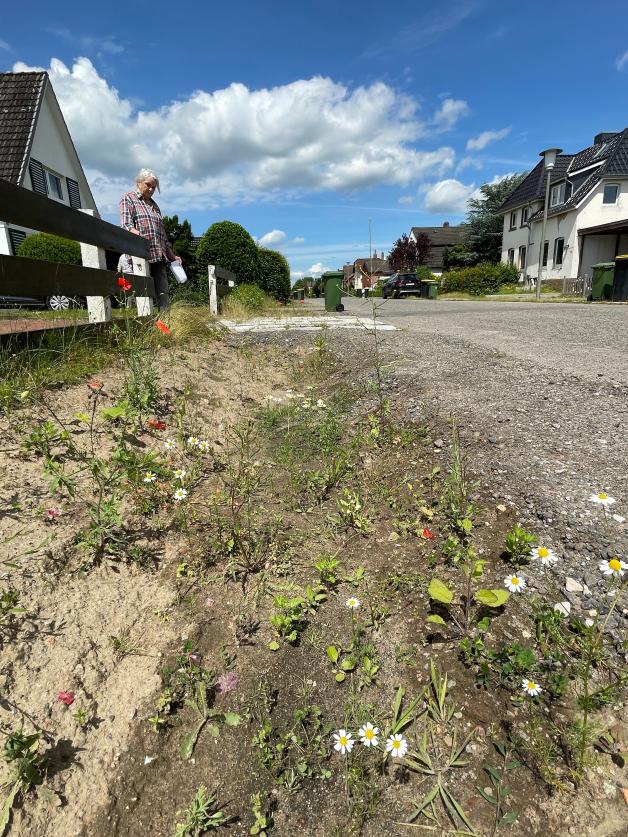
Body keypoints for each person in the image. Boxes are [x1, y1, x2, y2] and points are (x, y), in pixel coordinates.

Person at [119, 168, 181, 311]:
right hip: (140, 253)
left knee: (163, 292)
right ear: (139, 182)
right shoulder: (129, 198)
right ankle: (147, 326)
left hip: (159, 255)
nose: (151, 189)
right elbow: (126, 225)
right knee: (144, 293)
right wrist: (141, 238)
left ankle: (165, 325)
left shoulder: (155, 206)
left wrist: (172, 256)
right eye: (148, 184)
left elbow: (162, 235)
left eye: (154, 186)